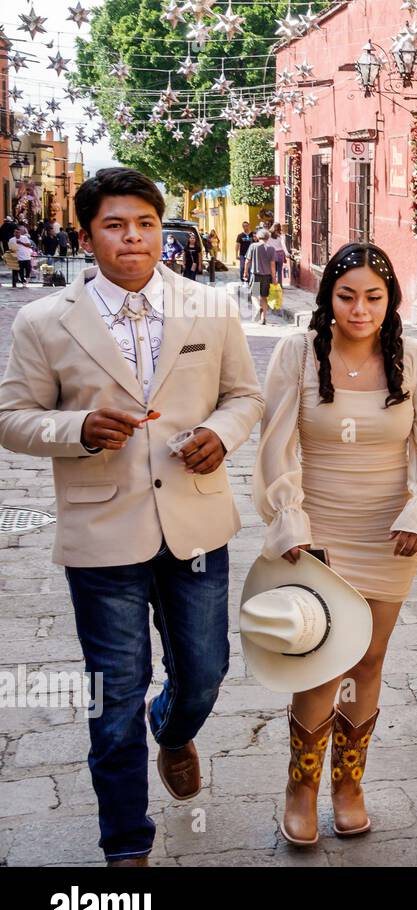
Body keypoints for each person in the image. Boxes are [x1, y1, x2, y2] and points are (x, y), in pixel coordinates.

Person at [0, 166, 264, 865]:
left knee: (204, 674)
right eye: (115, 226)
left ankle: (173, 730)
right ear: (87, 237)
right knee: (112, 699)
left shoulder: (210, 308)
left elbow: (245, 397)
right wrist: (78, 429)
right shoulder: (44, 322)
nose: (134, 238)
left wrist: (224, 435)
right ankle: (126, 847)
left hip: (196, 526)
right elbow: (11, 419)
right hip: (101, 535)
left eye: (145, 223)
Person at [254, 242, 417, 844]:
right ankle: (302, 786)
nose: (360, 309)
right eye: (347, 296)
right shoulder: (298, 354)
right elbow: (275, 445)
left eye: (374, 296)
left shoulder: (414, 359)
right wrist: (290, 521)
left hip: (388, 534)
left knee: (368, 657)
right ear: (328, 297)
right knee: (321, 657)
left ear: (391, 300)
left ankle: (350, 783)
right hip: (318, 532)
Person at [250, 229, 278, 323]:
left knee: (254, 295)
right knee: (264, 297)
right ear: (268, 237)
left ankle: (258, 307)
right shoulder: (271, 249)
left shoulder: (253, 246)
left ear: (258, 237)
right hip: (267, 276)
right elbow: (273, 265)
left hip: (256, 275)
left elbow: (247, 261)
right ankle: (263, 318)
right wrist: (274, 279)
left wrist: (245, 272)